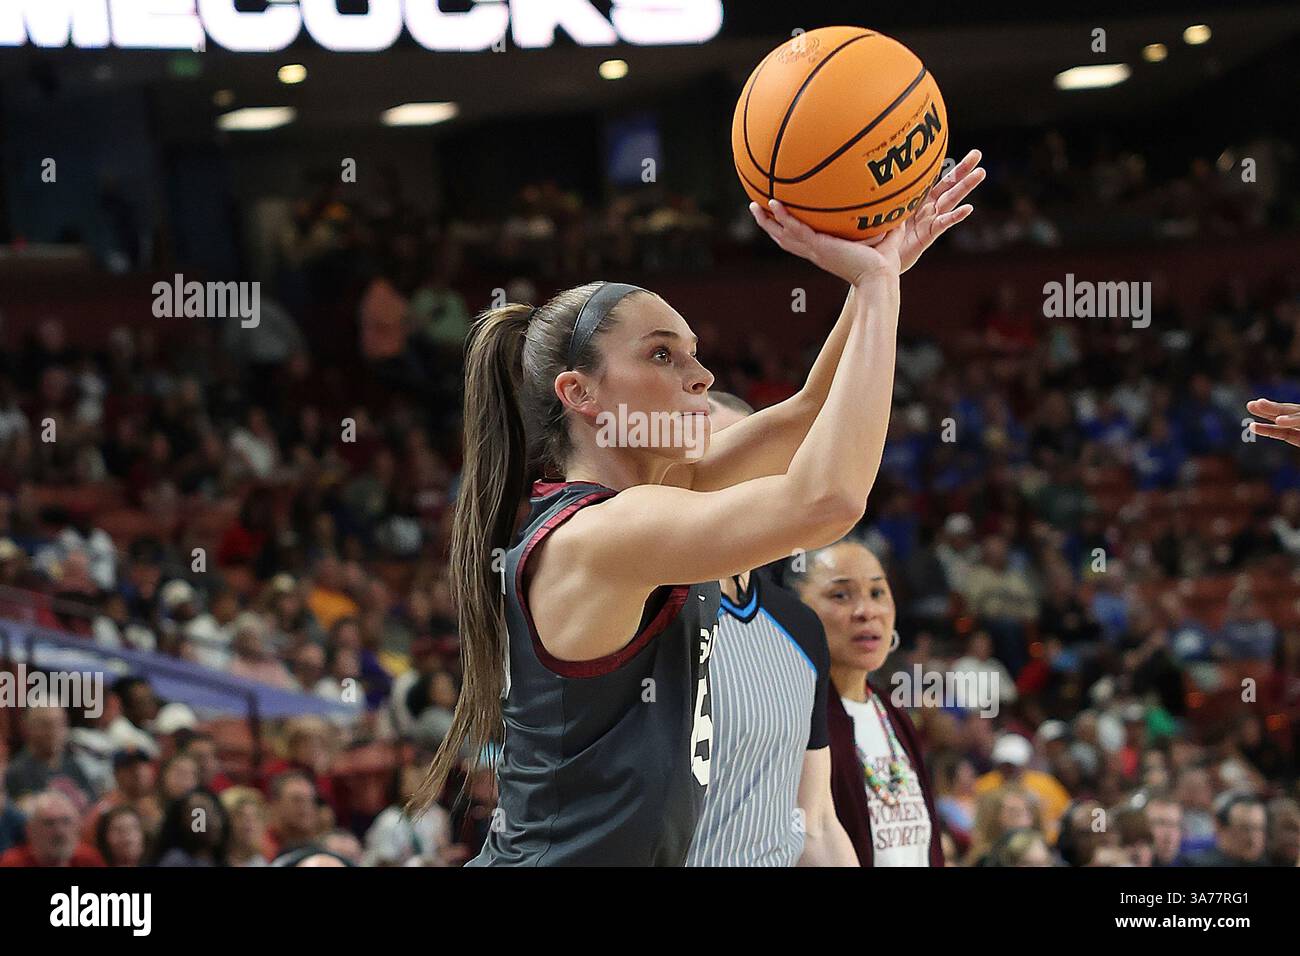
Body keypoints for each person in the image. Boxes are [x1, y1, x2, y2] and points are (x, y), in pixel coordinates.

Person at [411, 153, 985, 866]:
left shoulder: (653, 503)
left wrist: (884, 274)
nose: (701, 375)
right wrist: (872, 286)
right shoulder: (604, 533)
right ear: (580, 393)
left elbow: (808, 414)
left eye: (693, 351)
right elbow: (829, 497)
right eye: (661, 355)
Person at [684, 393, 856, 867]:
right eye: (721, 455)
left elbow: (816, 821)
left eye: (755, 459)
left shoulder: (800, 626)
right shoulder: (644, 605)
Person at [788, 537, 945, 866]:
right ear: (796, 608)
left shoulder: (894, 713)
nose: (867, 612)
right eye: (841, 595)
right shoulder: (793, 717)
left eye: (877, 592)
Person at [0, 790, 105, 867]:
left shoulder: (88, 859)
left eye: (66, 821)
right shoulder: (13, 863)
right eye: (49, 823)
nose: (59, 831)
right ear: (30, 830)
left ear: (78, 827)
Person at [1178, 792, 1268, 866]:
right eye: (1245, 828)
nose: (1253, 838)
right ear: (1220, 827)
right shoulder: (1195, 864)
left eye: (1259, 829)